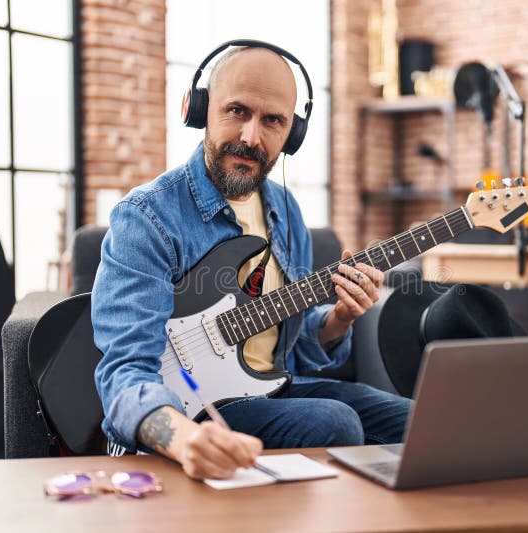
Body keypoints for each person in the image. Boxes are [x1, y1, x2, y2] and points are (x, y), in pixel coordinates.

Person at [92, 42, 412, 480]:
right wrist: (184, 438)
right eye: (237, 111)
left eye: (273, 121)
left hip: (274, 387)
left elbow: (292, 343)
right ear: (200, 109)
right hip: (191, 408)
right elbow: (125, 371)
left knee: (418, 420)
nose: (251, 137)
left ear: (291, 135)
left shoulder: (284, 209)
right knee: (336, 422)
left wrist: (338, 318)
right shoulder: (147, 217)